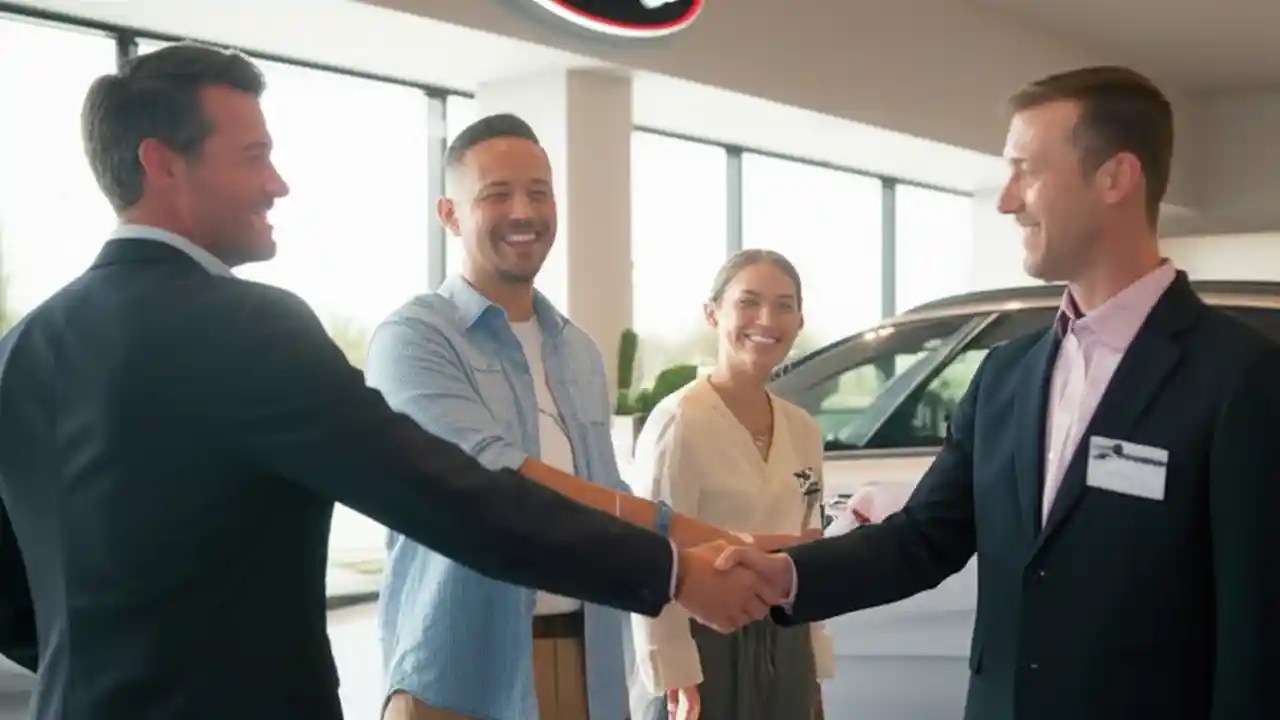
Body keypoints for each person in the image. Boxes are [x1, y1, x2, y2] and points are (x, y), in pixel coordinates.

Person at [0, 44, 778, 720]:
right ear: (161, 163)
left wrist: (118, 676)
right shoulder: (249, 330)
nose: (278, 185)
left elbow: (9, 598)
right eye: (253, 156)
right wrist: (670, 570)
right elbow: (450, 494)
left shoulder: (22, 350)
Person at [720, 66, 1280, 720]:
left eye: (1026, 171)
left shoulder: (1239, 377)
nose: (1007, 200)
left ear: (1115, 178)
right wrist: (789, 574)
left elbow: (1258, 634)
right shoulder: (1004, 377)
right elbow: (924, 538)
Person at [366, 113, 759, 720]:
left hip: (587, 671)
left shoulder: (576, 349)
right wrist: (678, 562)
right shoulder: (415, 339)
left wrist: (740, 549)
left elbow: (605, 493)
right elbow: (500, 481)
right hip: (457, 679)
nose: (524, 212)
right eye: (497, 194)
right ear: (449, 215)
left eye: (539, 193)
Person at [629, 249, 834, 720]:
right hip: (702, 643)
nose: (766, 319)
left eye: (784, 305)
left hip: (784, 641)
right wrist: (674, 668)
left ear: (799, 321)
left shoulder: (802, 428)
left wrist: (814, 662)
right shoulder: (680, 420)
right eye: (748, 302)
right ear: (713, 313)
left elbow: (809, 550)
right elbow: (652, 551)